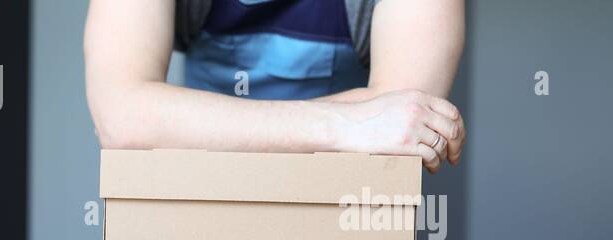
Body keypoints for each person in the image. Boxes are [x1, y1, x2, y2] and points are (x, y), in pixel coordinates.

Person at [85, 0, 465, 172]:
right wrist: (344, 125)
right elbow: (121, 116)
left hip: (346, 222)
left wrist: (180, 120)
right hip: (198, 205)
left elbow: (406, 129)